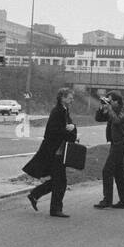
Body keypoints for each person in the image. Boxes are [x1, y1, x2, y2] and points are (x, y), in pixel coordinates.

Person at [23, 86, 78, 218]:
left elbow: (69, 128)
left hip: (58, 151)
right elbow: (52, 132)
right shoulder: (57, 111)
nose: (72, 100)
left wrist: (72, 128)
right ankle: (55, 209)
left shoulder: (64, 110)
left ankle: (35, 195)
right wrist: (68, 130)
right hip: (54, 152)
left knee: (58, 181)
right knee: (61, 182)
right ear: (62, 98)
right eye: (70, 98)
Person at [93, 90, 124, 209]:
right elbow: (99, 118)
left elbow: (117, 121)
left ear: (116, 100)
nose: (108, 103)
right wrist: (101, 107)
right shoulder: (112, 109)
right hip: (115, 143)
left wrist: (109, 109)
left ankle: (107, 200)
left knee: (107, 170)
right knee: (118, 173)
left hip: (121, 144)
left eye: (110, 100)